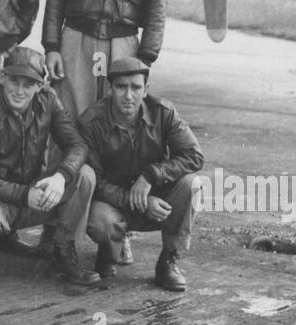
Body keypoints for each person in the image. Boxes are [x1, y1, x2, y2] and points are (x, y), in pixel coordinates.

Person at [41, 0, 167, 266]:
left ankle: (116, 230)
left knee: (120, 132)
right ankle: (55, 227)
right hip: (77, 40)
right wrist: (52, 46)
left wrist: (144, 57)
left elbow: (156, 1)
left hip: (123, 44)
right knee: (71, 128)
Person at [0, 46, 101, 286]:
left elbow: (78, 145)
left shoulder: (49, 100)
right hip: (0, 199)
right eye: (13, 81)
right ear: (2, 78)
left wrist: (60, 177)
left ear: (40, 85)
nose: (19, 91)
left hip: (34, 190)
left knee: (84, 175)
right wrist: (23, 194)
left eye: (28, 84)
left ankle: (61, 247)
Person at [78, 56, 204, 290]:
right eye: (121, 87)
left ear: (146, 89)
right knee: (99, 220)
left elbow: (194, 156)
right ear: (109, 88)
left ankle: (168, 259)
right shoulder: (91, 122)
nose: (128, 95)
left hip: (156, 197)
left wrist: (152, 174)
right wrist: (143, 202)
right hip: (113, 202)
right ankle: (109, 249)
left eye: (135, 87)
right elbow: (96, 181)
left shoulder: (163, 112)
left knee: (192, 184)